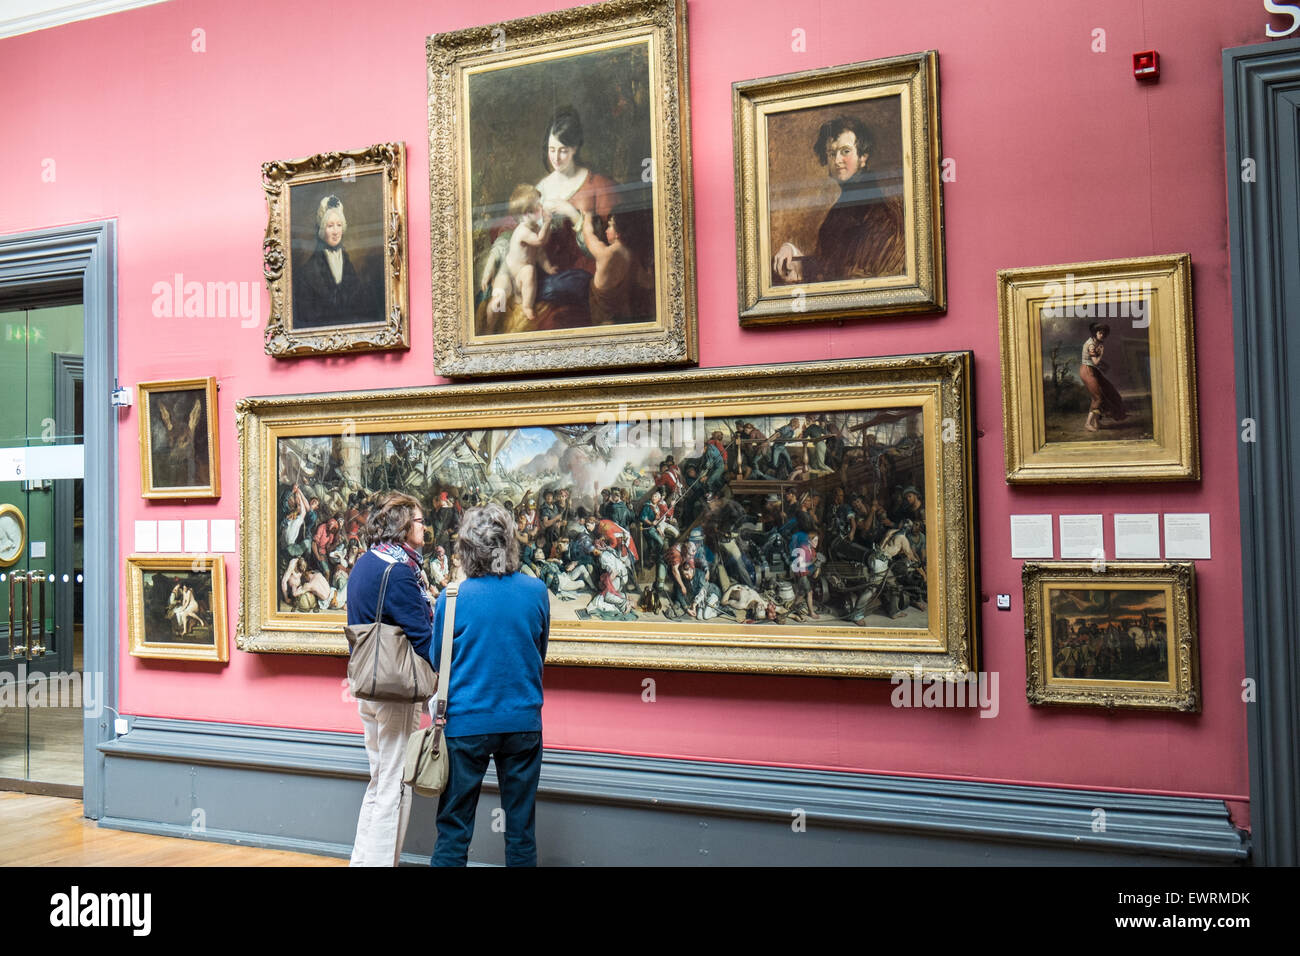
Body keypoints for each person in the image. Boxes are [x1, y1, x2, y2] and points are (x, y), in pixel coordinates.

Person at [430, 503, 549, 867]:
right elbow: (537, 651)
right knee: (520, 831)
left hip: (465, 724)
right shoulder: (537, 591)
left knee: (454, 829)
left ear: (467, 549)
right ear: (510, 544)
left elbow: (439, 663)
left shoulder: (450, 599)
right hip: (522, 722)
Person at [346, 492, 435, 867]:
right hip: (396, 691)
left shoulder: (366, 563)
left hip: (370, 684)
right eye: (418, 520)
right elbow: (424, 639)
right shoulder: (399, 572)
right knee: (396, 787)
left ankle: (363, 862)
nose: (424, 527)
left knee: (379, 781)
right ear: (402, 525)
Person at [772, 116, 905, 285]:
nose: (837, 160)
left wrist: (800, 265)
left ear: (863, 157)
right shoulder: (842, 206)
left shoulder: (878, 209)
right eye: (831, 153)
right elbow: (830, 264)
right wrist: (791, 252)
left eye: (845, 151)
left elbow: (846, 274)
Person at [293, 194, 382, 328]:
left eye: (339, 225)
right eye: (330, 226)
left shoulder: (348, 263)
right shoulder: (307, 272)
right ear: (322, 230)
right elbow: (306, 317)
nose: (336, 231)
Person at [1079, 322, 1128, 431]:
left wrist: (1104, 365)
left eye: (1104, 333)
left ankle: (1097, 423)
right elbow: (1095, 362)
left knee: (1108, 392)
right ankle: (1087, 423)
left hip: (1092, 370)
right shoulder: (1091, 345)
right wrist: (1101, 353)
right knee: (1098, 398)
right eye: (1100, 333)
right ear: (1094, 333)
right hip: (1087, 371)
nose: (1102, 335)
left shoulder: (1096, 342)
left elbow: (1095, 363)